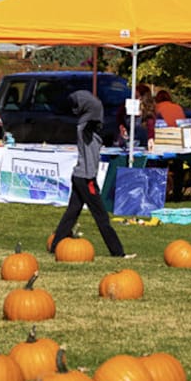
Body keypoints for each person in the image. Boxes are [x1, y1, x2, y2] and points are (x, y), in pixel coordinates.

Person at [50, 91, 132, 258]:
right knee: (101, 216)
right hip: (86, 178)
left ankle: (55, 245)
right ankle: (118, 252)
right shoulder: (85, 127)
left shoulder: (90, 128)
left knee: (72, 213)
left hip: (80, 175)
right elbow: (92, 115)